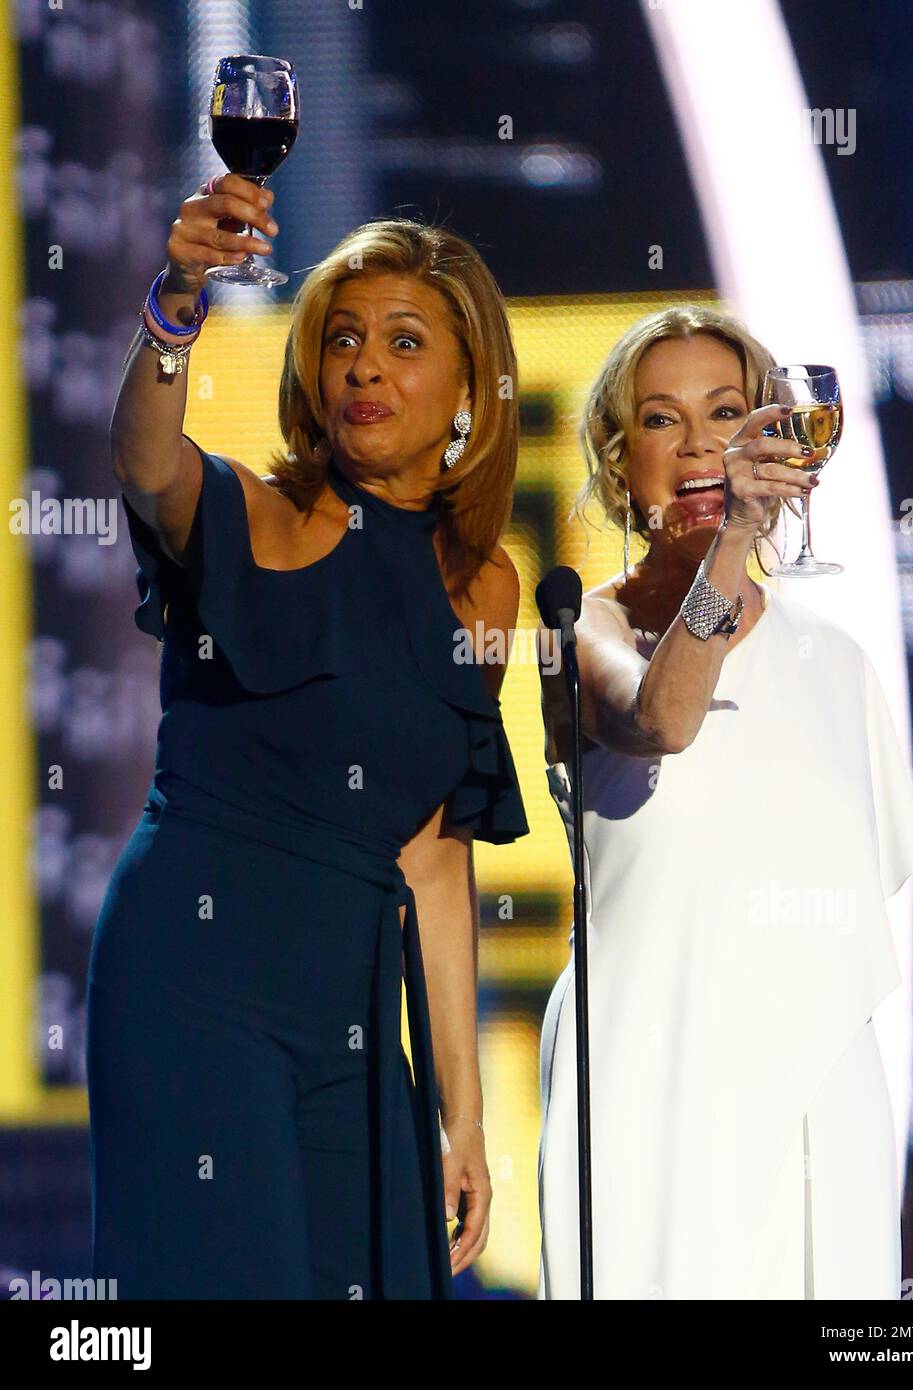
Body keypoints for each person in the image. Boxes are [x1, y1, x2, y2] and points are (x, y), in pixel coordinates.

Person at [87, 172, 530, 1299]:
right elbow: (144, 458)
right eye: (343, 339)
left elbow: (434, 856)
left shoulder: (486, 590)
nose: (365, 365)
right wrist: (178, 296)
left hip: (350, 1023)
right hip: (197, 976)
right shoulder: (248, 510)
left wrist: (461, 1113)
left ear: (473, 388)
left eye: (403, 340)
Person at [535, 304, 913, 1299]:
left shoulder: (837, 662)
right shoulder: (582, 629)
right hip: (646, 1095)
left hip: (807, 1101)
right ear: (621, 463)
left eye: (727, 412)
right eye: (664, 420)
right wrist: (732, 549)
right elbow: (665, 719)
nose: (704, 442)